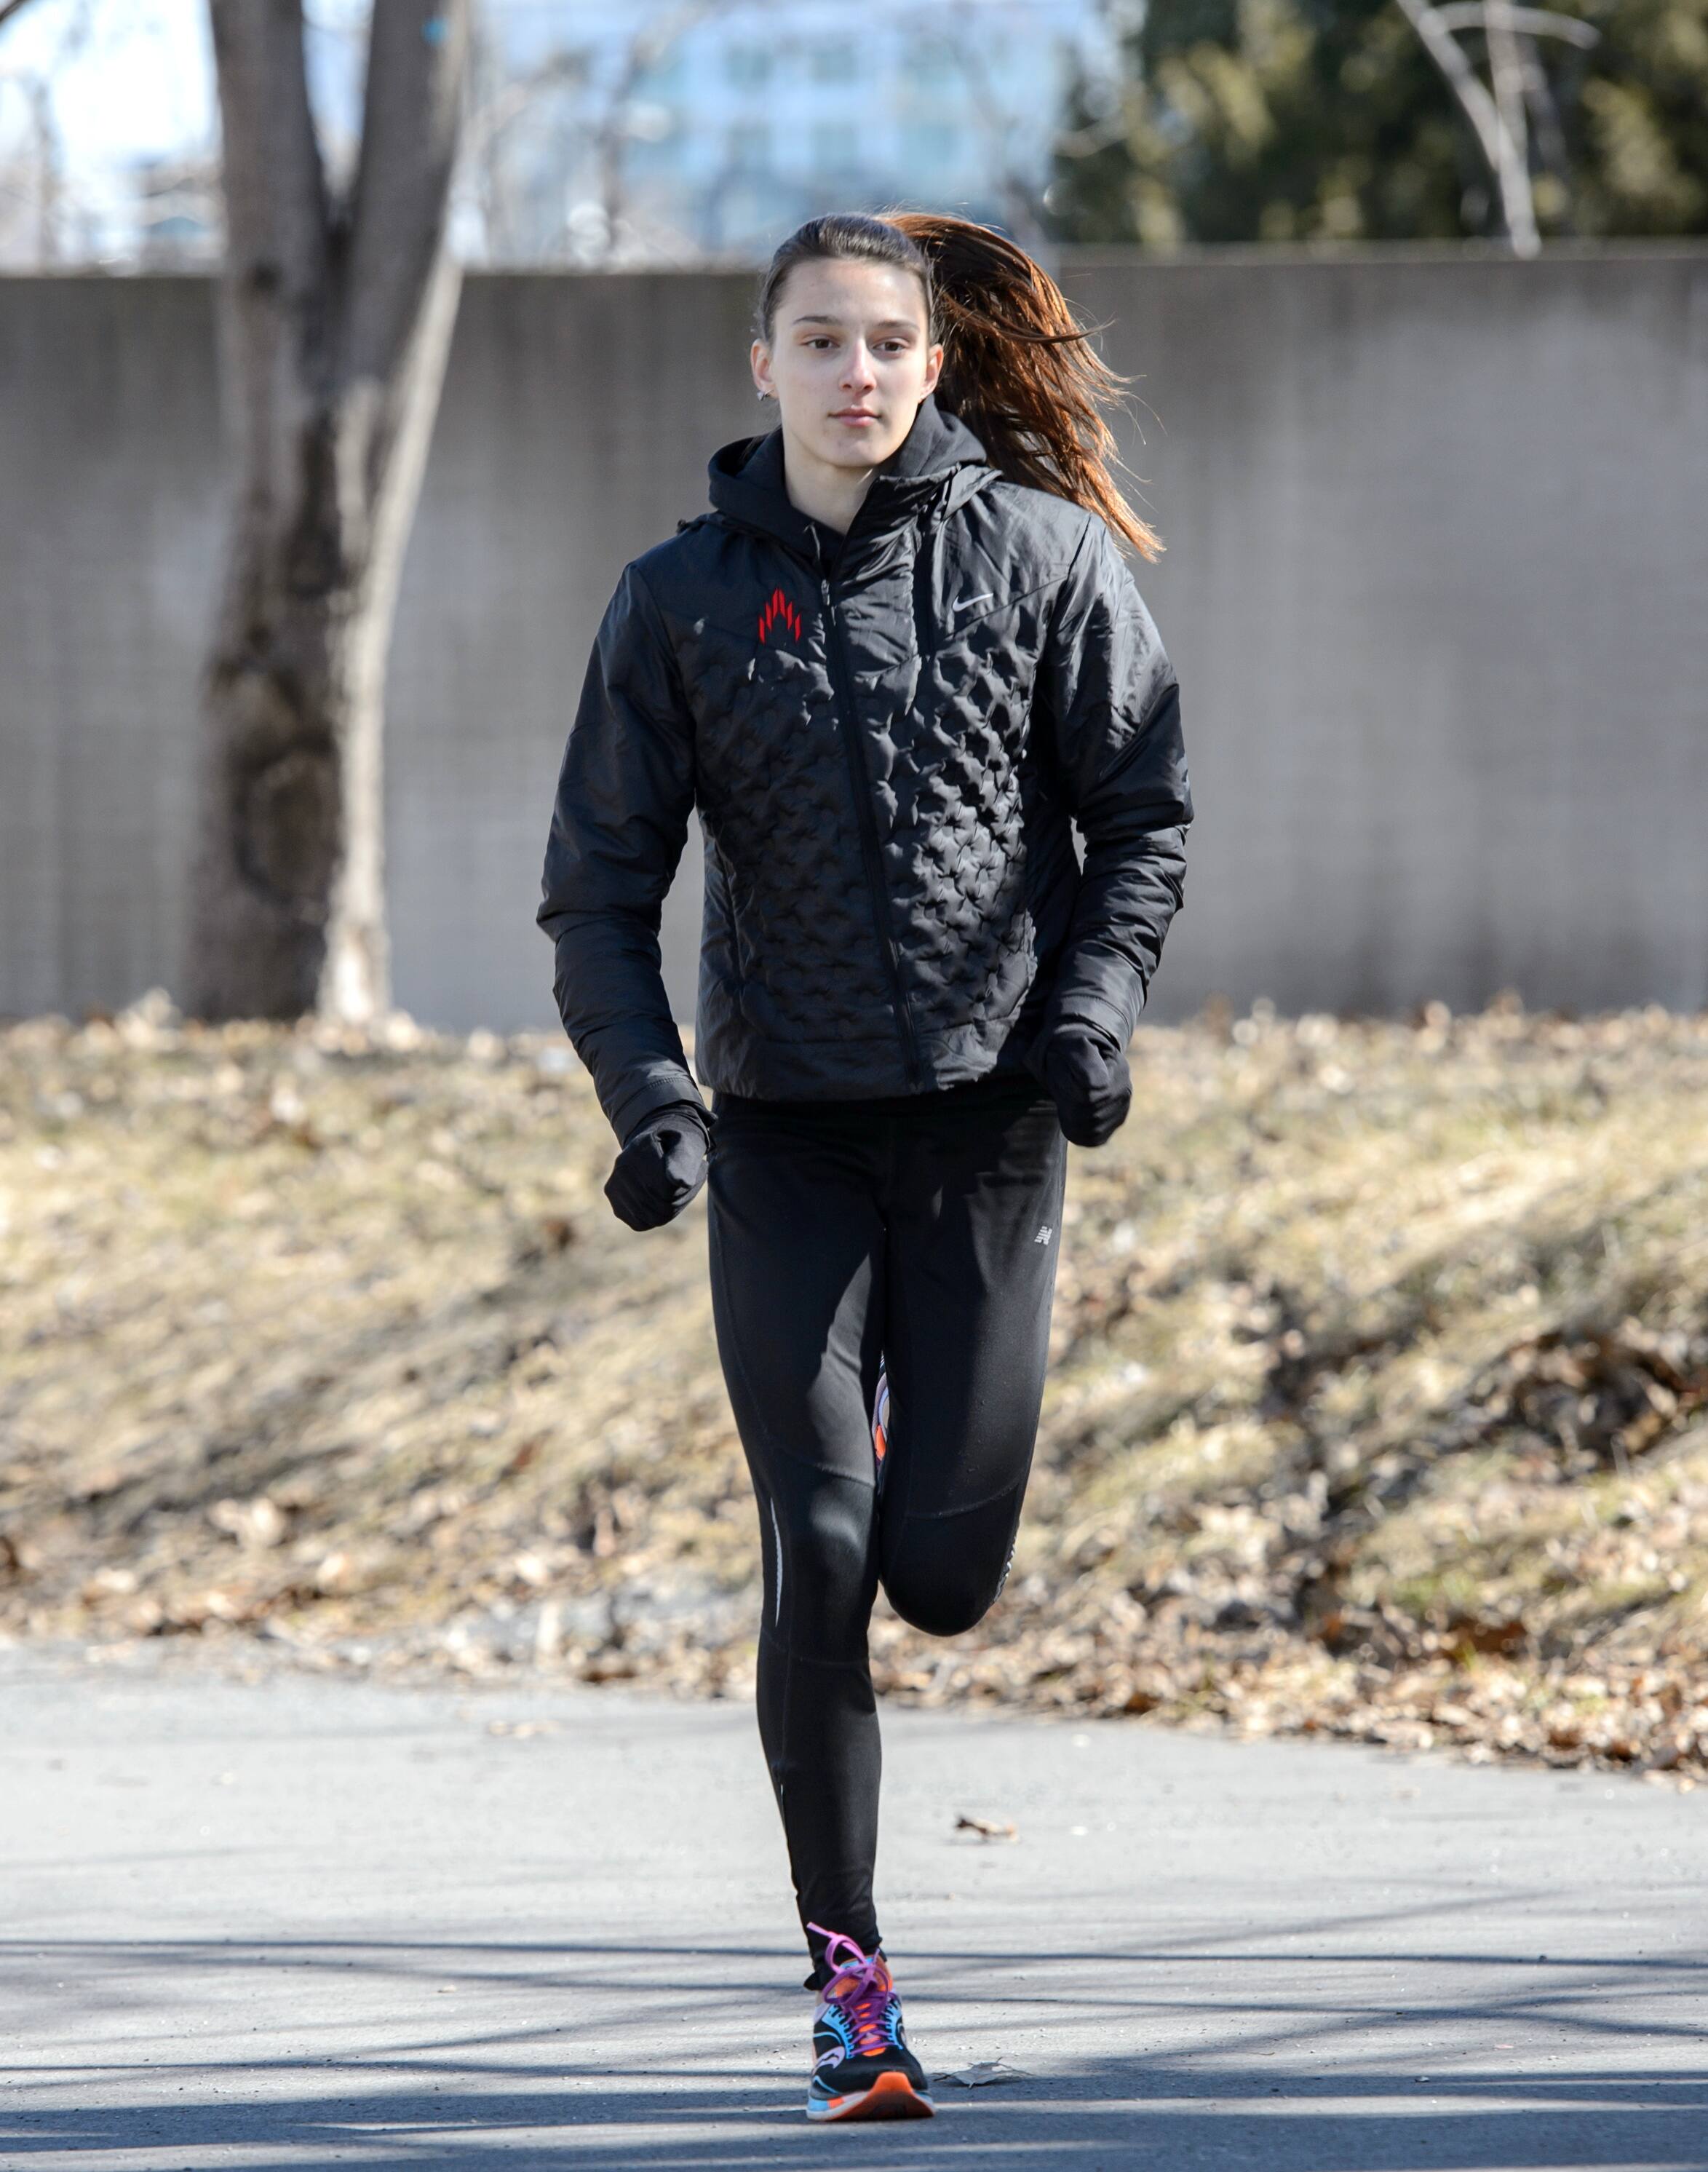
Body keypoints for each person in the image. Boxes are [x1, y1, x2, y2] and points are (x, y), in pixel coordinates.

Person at [539, 210, 1191, 2125]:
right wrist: (649, 1098)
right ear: (763, 365)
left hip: (991, 1133)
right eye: (814, 340)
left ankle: (925, 1442)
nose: (850, 372)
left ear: (930, 363)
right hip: (789, 1146)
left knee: (945, 1582)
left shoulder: (1046, 564)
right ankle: (852, 1994)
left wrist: (1087, 1022)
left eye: (883, 343)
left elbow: (1140, 811)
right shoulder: (673, 603)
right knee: (816, 1556)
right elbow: (597, 889)